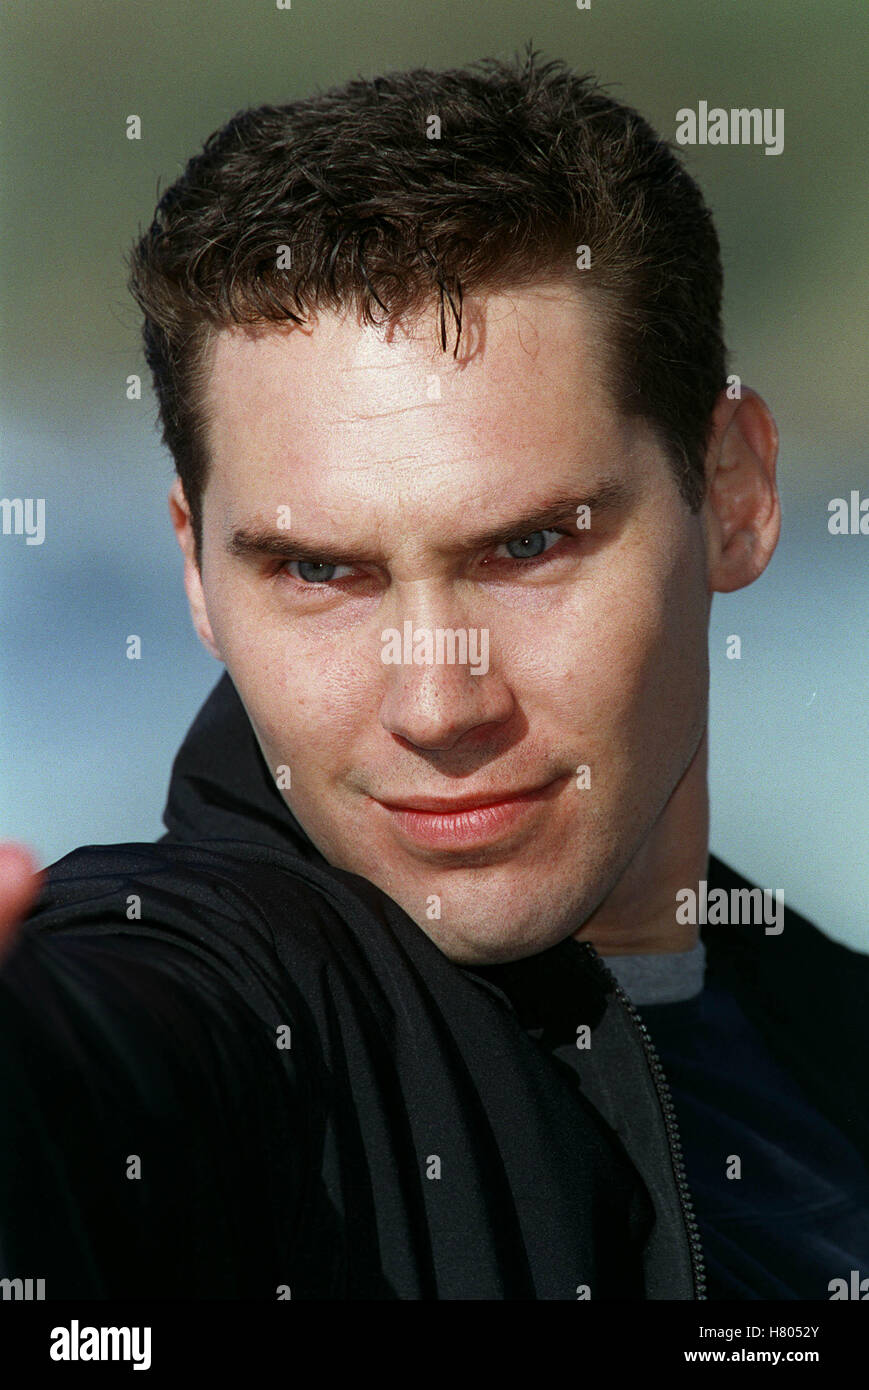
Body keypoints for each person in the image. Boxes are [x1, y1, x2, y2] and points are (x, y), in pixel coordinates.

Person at [1, 49, 867, 1302]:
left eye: (527, 546)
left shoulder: (831, 1035)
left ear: (731, 490)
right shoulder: (229, 1001)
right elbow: (109, 1069)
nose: (438, 705)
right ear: (194, 572)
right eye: (316, 571)